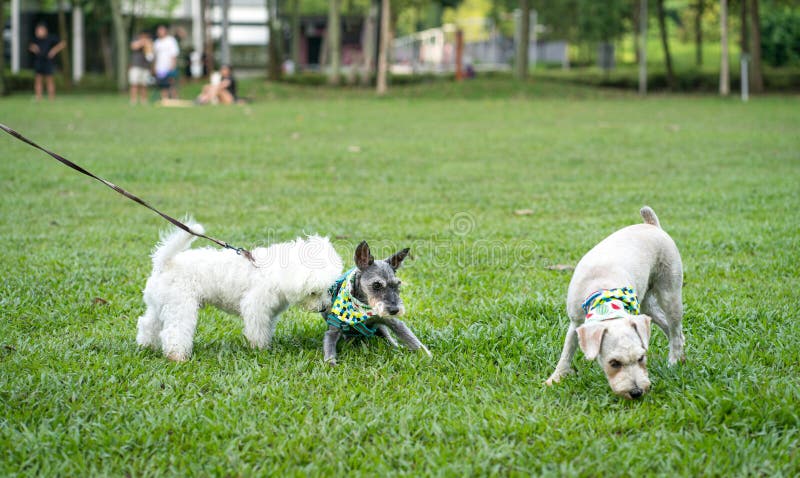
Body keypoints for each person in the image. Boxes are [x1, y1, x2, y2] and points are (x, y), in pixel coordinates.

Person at [29, 23, 66, 101]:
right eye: (37, 31)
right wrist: (33, 48)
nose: (38, 32)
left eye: (40, 30)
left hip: (48, 61)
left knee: (49, 79)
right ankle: (38, 97)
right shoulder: (35, 39)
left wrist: (53, 51)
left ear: (45, 31)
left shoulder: (51, 38)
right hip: (38, 61)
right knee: (38, 79)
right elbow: (30, 46)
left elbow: (63, 43)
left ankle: (51, 98)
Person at [153, 25, 179, 100]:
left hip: (169, 66)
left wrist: (173, 65)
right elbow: (155, 56)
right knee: (162, 84)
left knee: (171, 82)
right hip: (160, 67)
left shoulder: (171, 40)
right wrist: (154, 67)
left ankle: (175, 98)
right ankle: (165, 98)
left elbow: (174, 54)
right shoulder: (157, 42)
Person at [128, 31, 153, 105]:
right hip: (135, 65)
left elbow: (151, 55)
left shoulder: (150, 43)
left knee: (144, 84)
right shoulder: (136, 40)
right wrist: (143, 42)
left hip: (145, 66)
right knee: (134, 83)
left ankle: (144, 100)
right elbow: (133, 46)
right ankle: (133, 100)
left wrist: (148, 45)